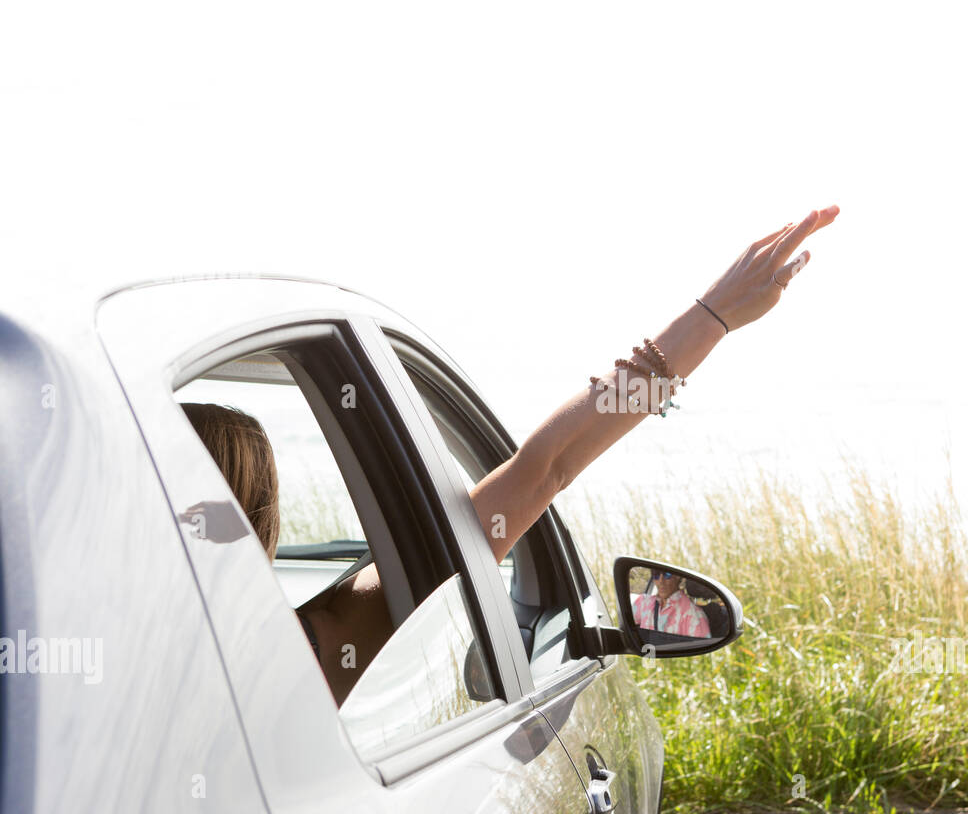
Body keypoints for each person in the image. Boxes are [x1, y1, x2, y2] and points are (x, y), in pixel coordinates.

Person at [185, 205, 839, 703]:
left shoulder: (111, 648)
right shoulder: (326, 636)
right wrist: (712, 316)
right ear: (261, 520)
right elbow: (548, 465)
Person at [632, 571, 711, 638]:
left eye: (667, 574)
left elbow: (700, 654)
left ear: (677, 576)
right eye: (656, 575)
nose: (660, 581)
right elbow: (627, 625)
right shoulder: (643, 602)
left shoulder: (694, 615)